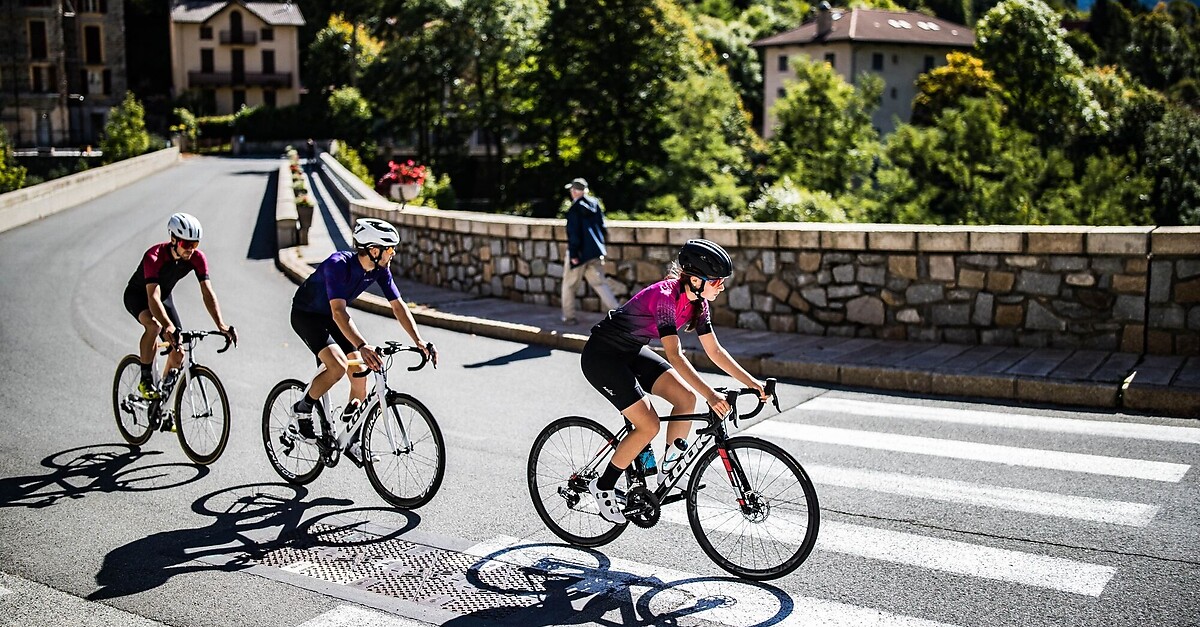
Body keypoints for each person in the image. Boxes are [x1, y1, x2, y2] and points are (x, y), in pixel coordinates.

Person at [579, 239, 767, 523]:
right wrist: (711, 394)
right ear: (695, 279)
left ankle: (670, 467)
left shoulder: (698, 303)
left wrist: (753, 382)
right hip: (602, 356)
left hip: (630, 351)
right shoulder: (666, 296)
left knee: (685, 398)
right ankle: (603, 485)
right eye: (717, 281)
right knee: (648, 425)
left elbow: (715, 351)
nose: (722, 287)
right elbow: (675, 356)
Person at [288, 217, 438, 444]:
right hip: (307, 315)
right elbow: (339, 312)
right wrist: (362, 345)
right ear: (374, 250)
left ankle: (351, 439)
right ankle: (302, 408)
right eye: (390, 249)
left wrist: (419, 340)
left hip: (331, 317)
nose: (393, 254)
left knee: (360, 374)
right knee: (338, 366)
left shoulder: (379, 270)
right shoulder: (337, 264)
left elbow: (398, 306)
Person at [124, 213, 237, 400]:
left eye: (195, 244)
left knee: (179, 352)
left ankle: (161, 404)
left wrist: (221, 325)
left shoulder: (197, 258)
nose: (191, 250)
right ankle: (145, 380)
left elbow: (207, 293)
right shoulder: (154, 256)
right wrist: (167, 325)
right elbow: (153, 296)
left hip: (164, 298)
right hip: (139, 296)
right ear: (174, 239)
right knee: (154, 325)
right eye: (186, 244)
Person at [561, 177, 619, 325]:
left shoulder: (574, 209)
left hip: (579, 255)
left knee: (569, 285)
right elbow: (602, 227)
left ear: (574, 191)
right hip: (595, 252)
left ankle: (569, 317)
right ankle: (620, 316)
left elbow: (574, 234)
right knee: (601, 284)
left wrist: (573, 254)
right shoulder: (595, 203)